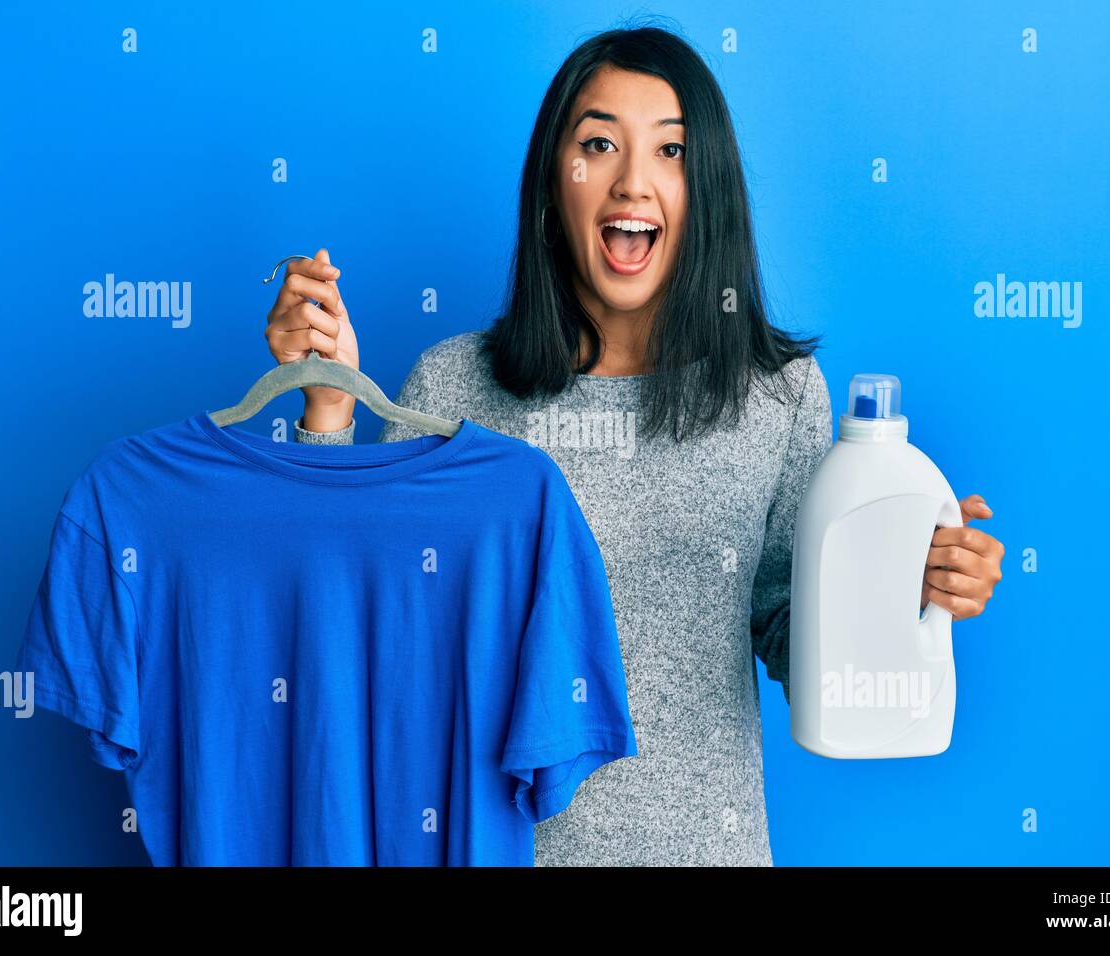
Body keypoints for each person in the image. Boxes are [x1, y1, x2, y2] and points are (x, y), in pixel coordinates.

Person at [261, 26, 1004, 866]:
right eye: (599, 143)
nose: (633, 180)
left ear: (708, 191)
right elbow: (355, 625)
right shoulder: (453, 388)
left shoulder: (780, 395)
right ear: (553, 185)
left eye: (672, 149)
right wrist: (327, 405)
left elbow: (798, 645)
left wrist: (909, 588)